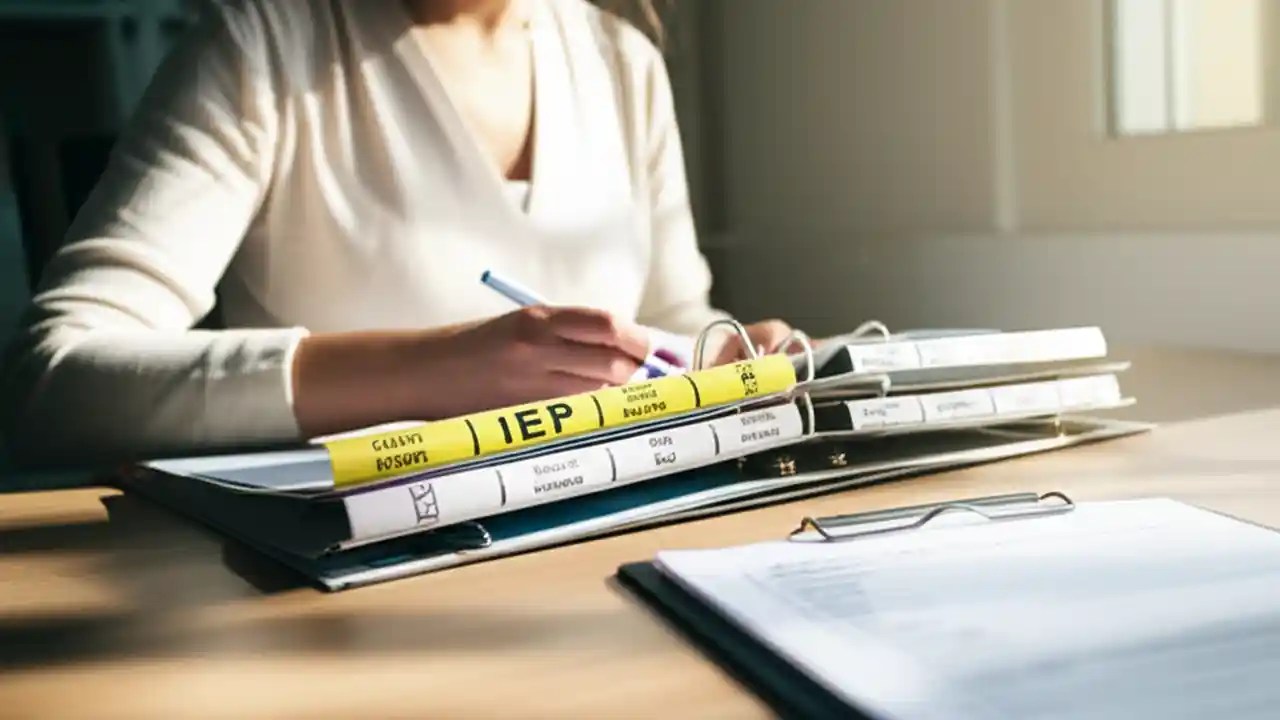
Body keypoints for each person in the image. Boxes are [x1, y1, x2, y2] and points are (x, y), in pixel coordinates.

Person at [0, 0, 797, 466]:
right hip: (335, 601)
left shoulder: (621, 62)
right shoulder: (264, 47)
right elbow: (54, 378)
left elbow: (674, 316)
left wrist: (714, 359)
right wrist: (435, 370)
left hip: (608, 560)